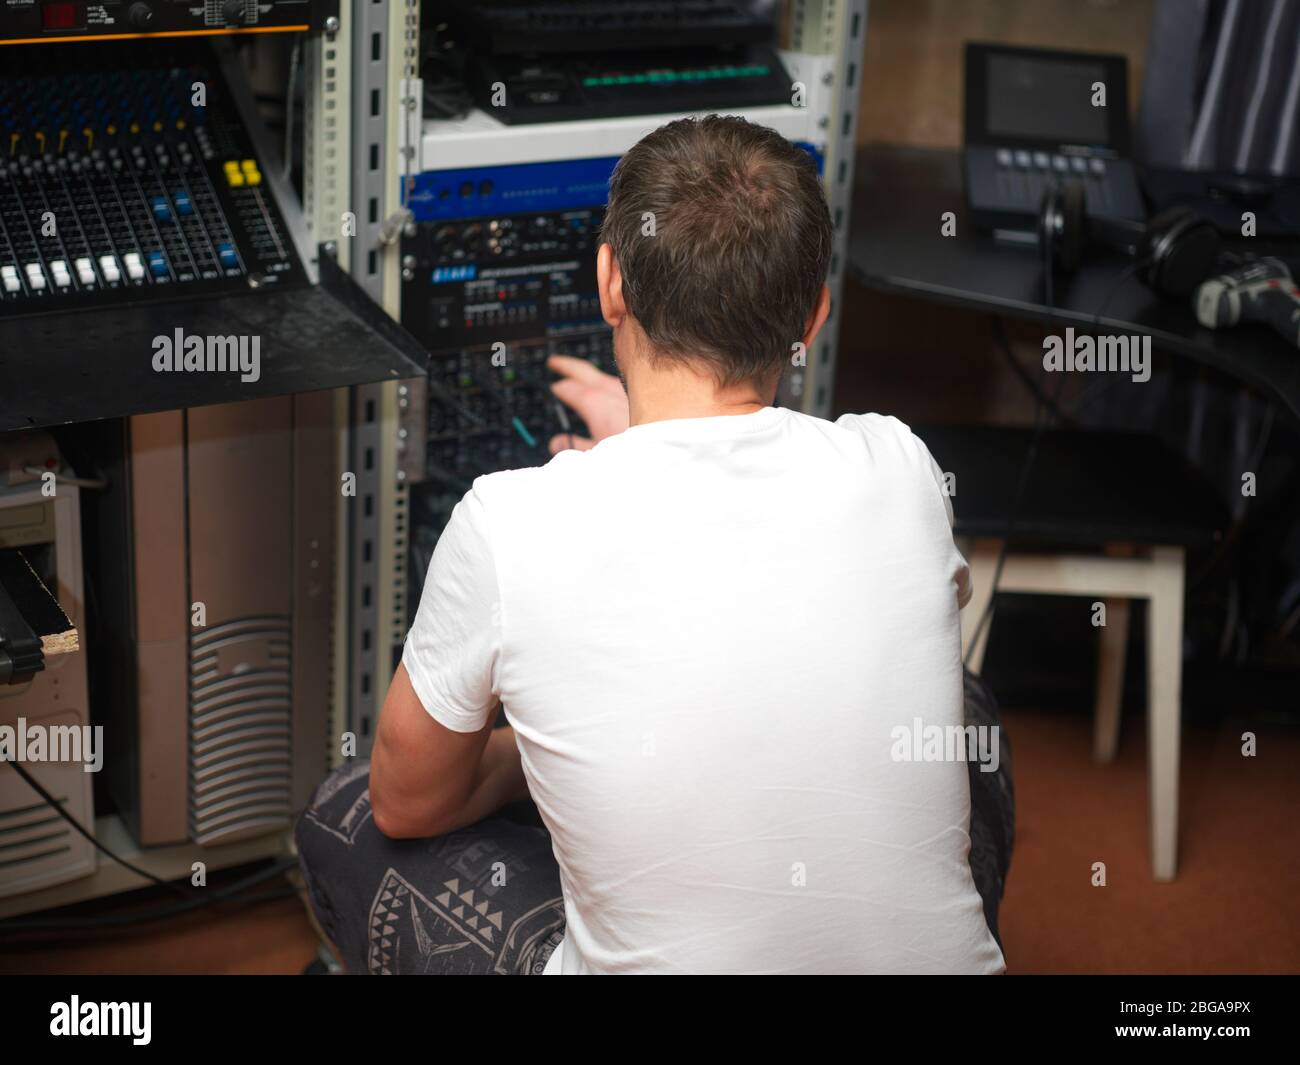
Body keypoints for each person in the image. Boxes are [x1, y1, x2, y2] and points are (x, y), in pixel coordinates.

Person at [296, 115, 1013, 975]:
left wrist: (546, 743)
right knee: (964, 708)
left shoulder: (507, 522)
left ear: (610, 281)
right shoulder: (902, 466)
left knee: (346, 806)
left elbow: (407, 802)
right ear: (813, 316)